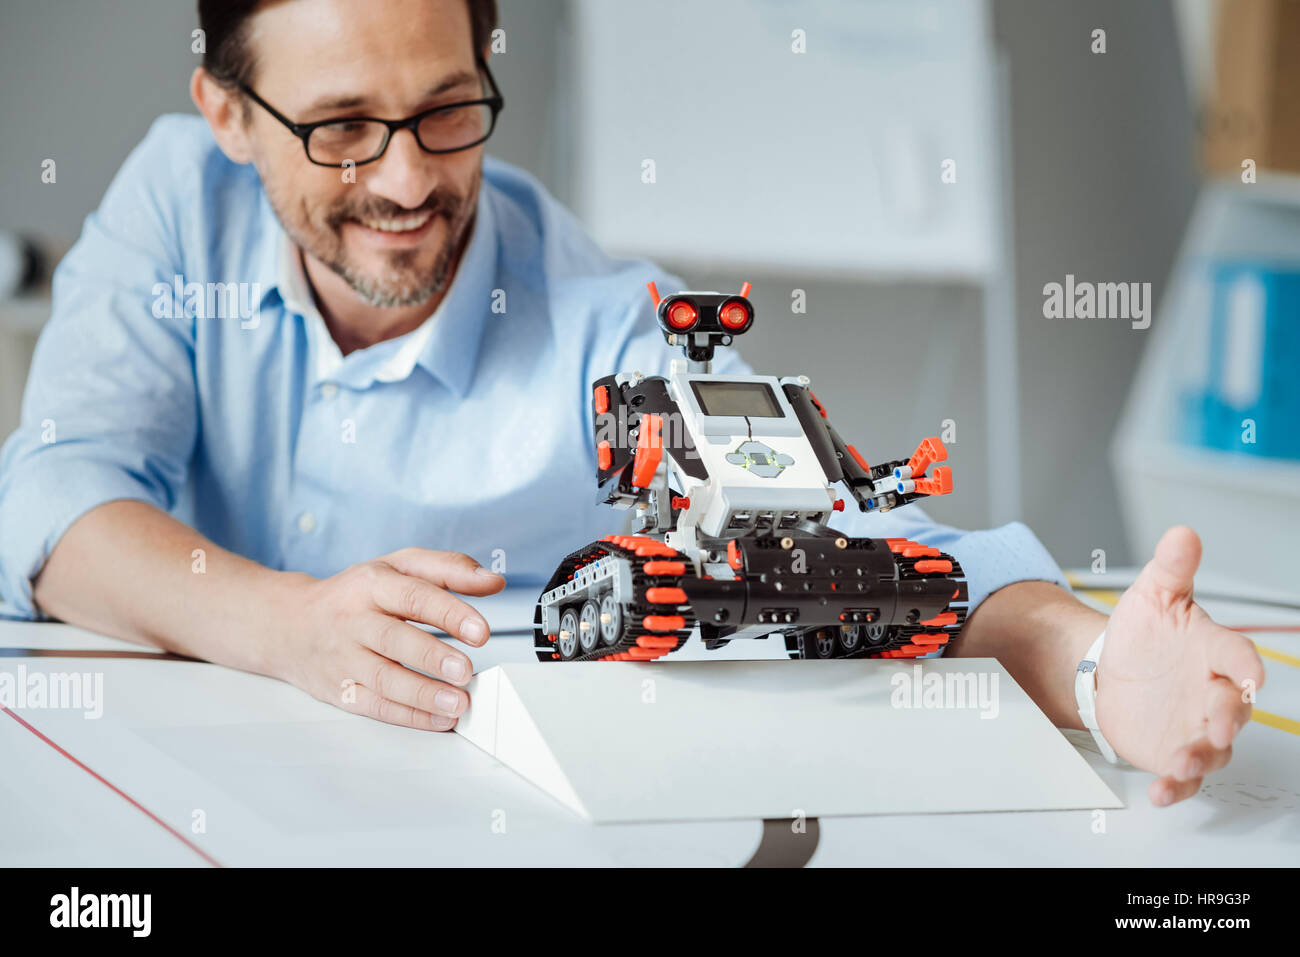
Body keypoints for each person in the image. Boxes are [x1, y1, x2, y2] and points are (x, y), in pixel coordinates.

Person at [0, 0, 1263, 808]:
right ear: (227, 112)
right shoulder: (179, 205)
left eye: (447, 110)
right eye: (339, 128)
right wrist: (289, 627)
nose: (405, 179)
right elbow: (55, 498)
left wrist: (1090, 663)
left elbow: (863, 556)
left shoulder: (610, 326)